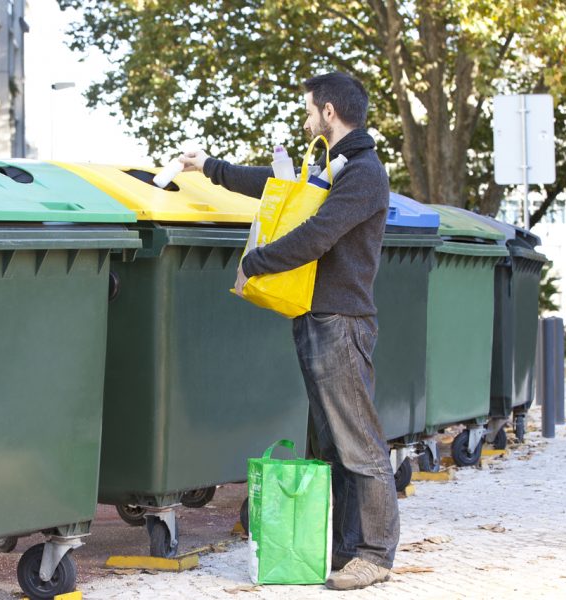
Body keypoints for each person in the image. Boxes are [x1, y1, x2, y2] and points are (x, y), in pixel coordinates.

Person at [181, 72, 398, 591]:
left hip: (341, 321)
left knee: (357, 443)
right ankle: (346, 552)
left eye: (308, 110)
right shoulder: (334, 166)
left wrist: (257, 261)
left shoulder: (364, 173)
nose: (304, 120)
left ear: (329, 112)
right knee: (329, 444)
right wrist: (209, 167)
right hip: (317, 316)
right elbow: (280, 190)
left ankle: (373, 554)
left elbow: (318, 234)